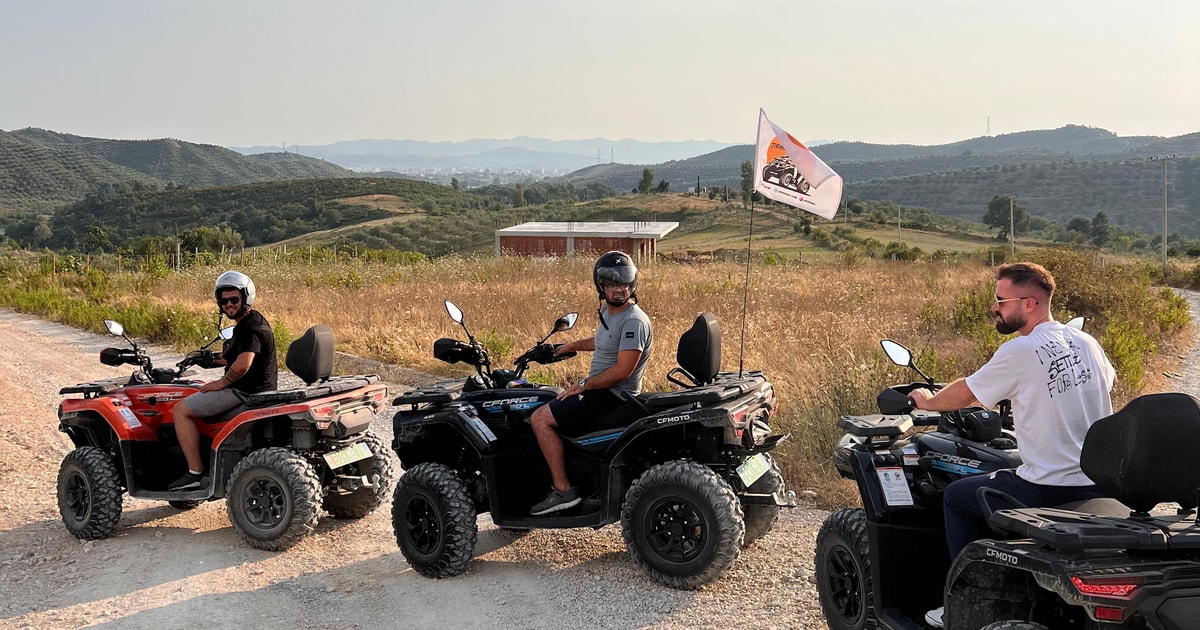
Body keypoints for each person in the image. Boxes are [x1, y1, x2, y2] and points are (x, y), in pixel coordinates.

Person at [910, 262, 1116, 628]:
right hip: (1100, 483)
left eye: (1001, 301)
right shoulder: (1087, 342)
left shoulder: (1021, 349)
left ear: (1030, 303)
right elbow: (1104, 384)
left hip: (1047, 487)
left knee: (957, 497)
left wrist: (927, 401)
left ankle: (963, 601)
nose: (995, 308)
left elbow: (967, 392)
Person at [528, 251, 653, 515]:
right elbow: (603, 342)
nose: (620, 289)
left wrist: (584, 385)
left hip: (612, 395)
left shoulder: (634, 320)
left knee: (540, 418)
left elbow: (622, 371)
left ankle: (563, 491)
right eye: (612, 283)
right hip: (602, 391)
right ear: (602, 286)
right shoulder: (612, 314)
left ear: (633, 284)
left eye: (625, 283)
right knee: (555, 401)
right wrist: (569, 346)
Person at [168, 271, 278, 490]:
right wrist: (209, 360)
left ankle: (195, 473)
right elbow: (235, 358)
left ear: (246, 298)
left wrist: (221, 383)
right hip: (259, 388)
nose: (228, 304)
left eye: (234, 299)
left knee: (180, 409)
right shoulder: (253, 320)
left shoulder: (248, 328)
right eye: (224, 300)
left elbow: (243, 364)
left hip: (244, 391)